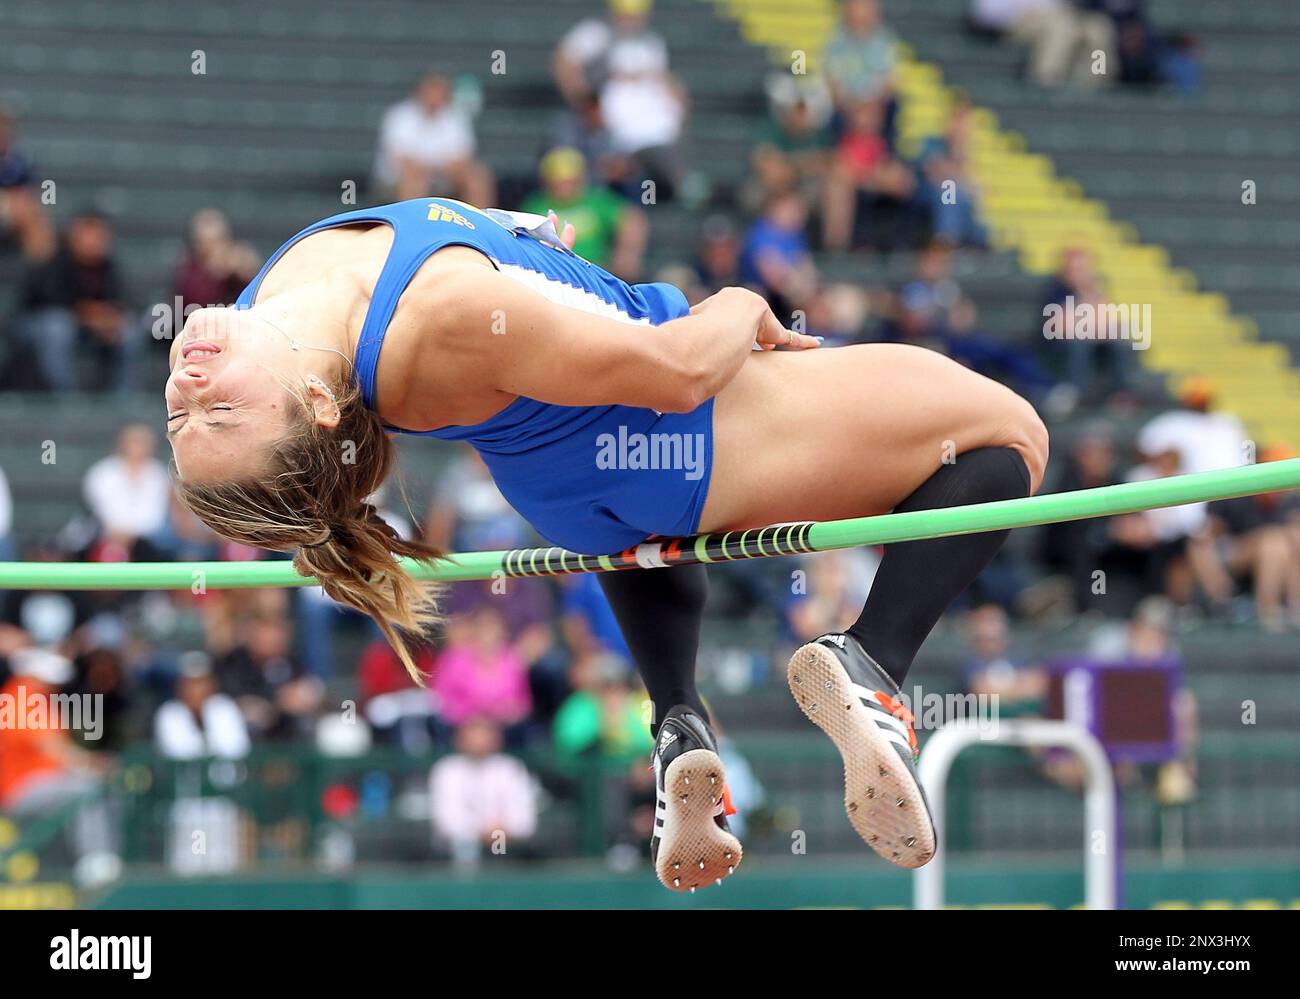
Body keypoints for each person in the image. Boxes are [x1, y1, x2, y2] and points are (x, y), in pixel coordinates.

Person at [163, 195, 1049, 893]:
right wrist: (742, 302)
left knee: (655, 543)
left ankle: (677, 720)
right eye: (221, 409)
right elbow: (678, 371)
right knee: (1006, 438)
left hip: (575, 497)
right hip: (680, 435)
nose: (191, 381)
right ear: (318, 407)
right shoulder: (437, 321)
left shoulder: (258, 314)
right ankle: (872, 664)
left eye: (185, 413)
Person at [372, 73, 495, 207]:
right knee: (414, 179)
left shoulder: (455, 116)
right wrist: (431, 170)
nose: (434, 97)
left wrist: (437, 171)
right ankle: (415, 225)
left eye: (439, 92)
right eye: (431, 91)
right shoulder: (400, 116)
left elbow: (463, 158)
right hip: (399, 179)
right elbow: (402, 159)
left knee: (477, 177)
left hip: (444, 177)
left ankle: (479, 223)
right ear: (420, 92)